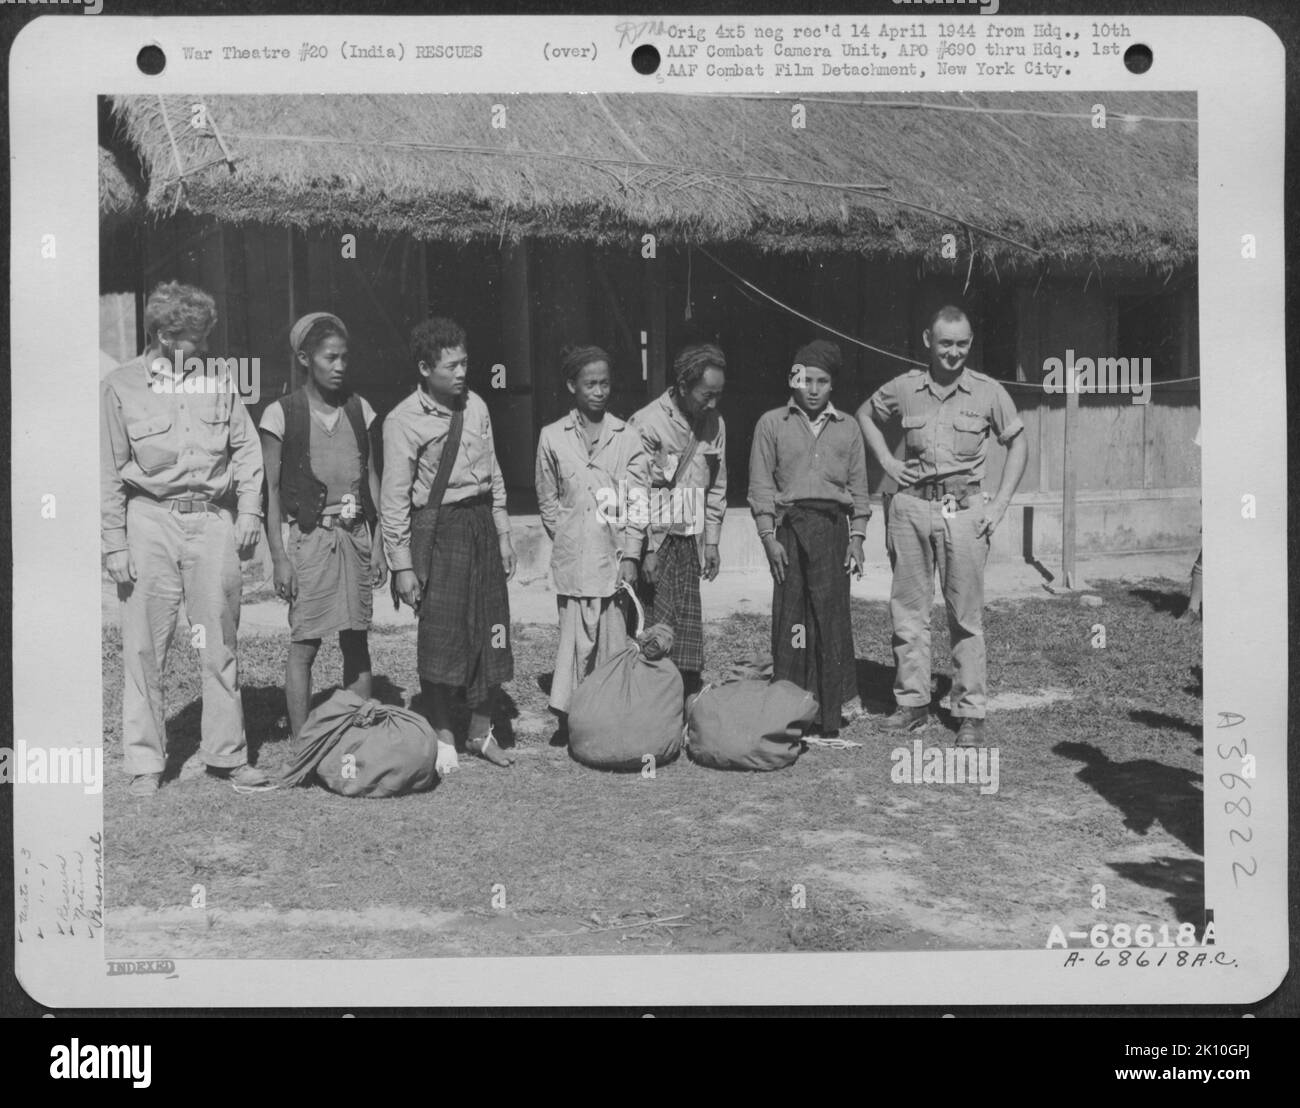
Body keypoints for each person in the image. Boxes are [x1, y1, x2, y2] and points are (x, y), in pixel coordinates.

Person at [101, 281, 269, 796]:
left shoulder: (218, 380)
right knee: (145, 647)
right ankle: (146, 764)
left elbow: (246, 448)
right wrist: (114, 545)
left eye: (203, 336)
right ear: (162, 333)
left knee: (219, 640)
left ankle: (226, 755)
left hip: (212, 523)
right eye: (193, 338)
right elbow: (108, 471)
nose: (202, 347)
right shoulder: (121, 386)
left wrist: (249, 511)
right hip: (148, 521)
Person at [857, 306, 1028, 746]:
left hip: (964, 510)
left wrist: (1000, 505)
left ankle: (970, 711)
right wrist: (890, 462)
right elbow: (865, 415)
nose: (954, 353)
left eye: (962, 343)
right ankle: (912, 703)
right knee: (909, 612)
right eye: (946, 343)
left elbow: (1018, 443)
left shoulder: (989, 392)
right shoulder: (905, 388)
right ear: (928, 341)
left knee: (964, 615)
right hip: (911, 507)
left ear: (971, 344)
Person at [381, 317, 516, 768]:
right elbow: (395, 499)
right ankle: (442, 737)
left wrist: (503, 534)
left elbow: (494, 474)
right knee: (441, 634)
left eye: (465, 364)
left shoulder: (476, 406)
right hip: (440, 531)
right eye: (451, 366)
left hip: (480, 523)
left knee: (491, 629)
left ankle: (480, 731)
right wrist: (402, 565)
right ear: (425, 368)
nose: (462, 374)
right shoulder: (403, 420)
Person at [259, 313, 388, 743]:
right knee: (306, 642)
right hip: (309, 539)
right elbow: (272, 492)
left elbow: (371, 477)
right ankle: (303, 743)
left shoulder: (359, 409)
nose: (339, 366)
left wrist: (380, 545)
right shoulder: (282, 415)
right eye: (330, 358)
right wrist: (280, 559)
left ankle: (358, 733)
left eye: (344, 358)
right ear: (303, 359)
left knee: (357, 637)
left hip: (355, 535)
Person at [749, 339, 870, 738]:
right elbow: (761, 487)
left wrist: (857, 538)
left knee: (829, 619)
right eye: (805, 380)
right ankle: (790, 708)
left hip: (834, 531)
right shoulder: (772, 423)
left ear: (832, 384)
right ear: (793, 380)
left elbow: (859, 489)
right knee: (792, 619)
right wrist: (769, 537)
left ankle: (827, 713)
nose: (813, 389)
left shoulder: (848, 427)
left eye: (822, 381)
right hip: (789, 531)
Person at [535, 345, 650, 729]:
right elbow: (547, 499)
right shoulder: (552, 437)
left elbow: (637, 503)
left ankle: (608, 717)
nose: (599, 391)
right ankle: (574, 717)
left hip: (611, 557)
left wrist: (631, 555)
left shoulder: (628, 438)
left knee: (611, 637)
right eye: (590, 384)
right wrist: (569, 534)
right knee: (574, 640)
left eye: (604, 383)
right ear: (572, 386)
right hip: (571, 558)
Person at [629, 342, 728, 704]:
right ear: (684, 387)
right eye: (706, 395)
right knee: (655, 627)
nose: (713, 403)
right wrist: (647, 550)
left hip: (689, 537)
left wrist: (712, 542)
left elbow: (717, 485)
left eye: (718, 395)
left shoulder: (715, 424)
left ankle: (683, 705)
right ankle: (650, 704)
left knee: (686, 628)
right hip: (657, 539)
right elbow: (633, 490)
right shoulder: (647, 422)